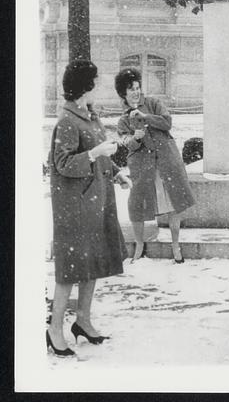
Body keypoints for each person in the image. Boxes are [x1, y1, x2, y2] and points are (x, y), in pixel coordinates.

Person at [47, 59, 130, 356]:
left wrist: (117, 171)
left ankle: (82, 320)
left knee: (91, 263)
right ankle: (55, 329)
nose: (99, 84)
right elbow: (62, 164)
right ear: (85, 85)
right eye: (95, 80)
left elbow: (100, 153)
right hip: (75, 206)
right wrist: (94, 154)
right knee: (70, 269)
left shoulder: (89, 116)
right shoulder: (67, 121)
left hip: (94, 200)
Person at [115, 68, 195, 264]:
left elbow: (167, 122)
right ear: (123, 94)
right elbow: (126, 143)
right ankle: (139, 245)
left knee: (174, 201)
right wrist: (135, 138)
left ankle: (176, 245)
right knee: (136, 204)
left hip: (167, 160)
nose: (136, 92)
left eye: (137, 87)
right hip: (143, 167)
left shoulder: (153, 103)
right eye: (131, 89)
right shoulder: (123, 119)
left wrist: (146, 117)